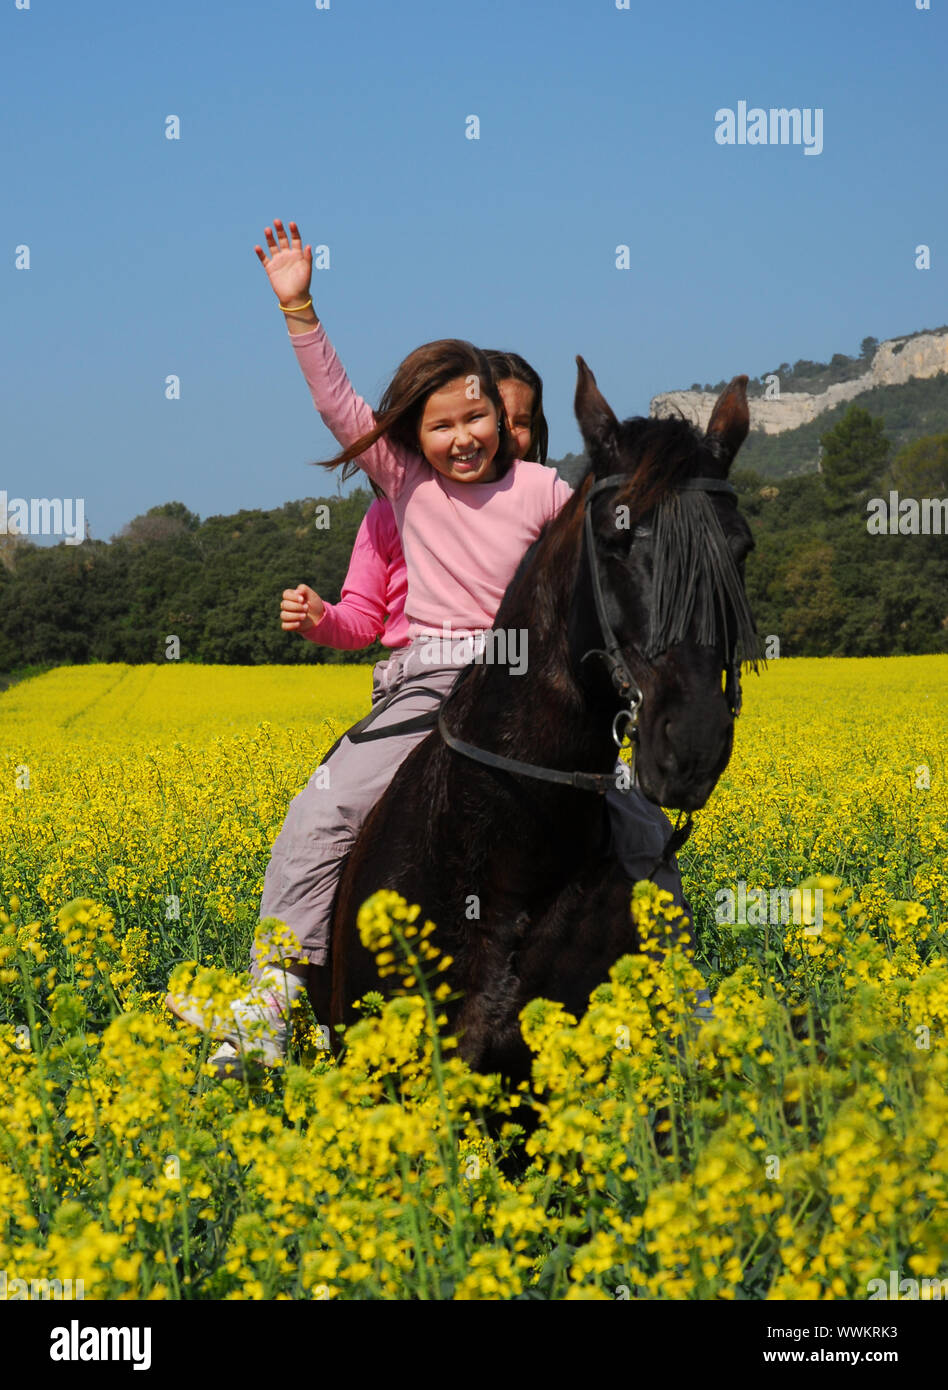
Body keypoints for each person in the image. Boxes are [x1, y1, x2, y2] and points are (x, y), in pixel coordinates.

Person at [166, 218, 706, 1069]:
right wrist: (300, 308)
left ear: (504, 418)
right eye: (442, 425)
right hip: (430, 686)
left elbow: (593, 561)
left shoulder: (537, 490)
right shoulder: (405, 488)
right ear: (411, 440)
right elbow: (338, 405)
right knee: (327, 807)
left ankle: (682, 994)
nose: (463, 438)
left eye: (479, 417)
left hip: (533, 686)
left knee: (637, 819)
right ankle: (272, 993)